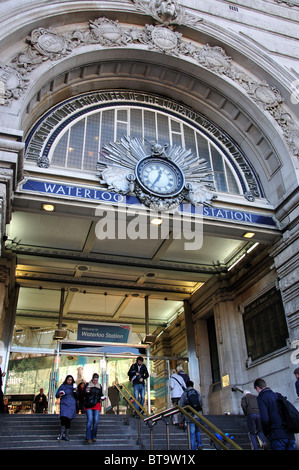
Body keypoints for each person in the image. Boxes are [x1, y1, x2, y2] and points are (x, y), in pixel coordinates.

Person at [254, 377, 296, 450]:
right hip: (290, 435)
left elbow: (264, 419)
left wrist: (267, 433)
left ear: (257, 388)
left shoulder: (262, 397)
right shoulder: (278, 395)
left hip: (277, 435)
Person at [179, 380, 203, 450]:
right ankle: (199, 444)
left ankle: (193, 448)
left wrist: (182, 417)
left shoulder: (184, 394)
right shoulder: (197, 393)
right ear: (192, 385)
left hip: (190, 415)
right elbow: (201, 403)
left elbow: (181, 405)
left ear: (186, 386)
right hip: (198, 414)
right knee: (198, 430)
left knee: (192, 432)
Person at [84, 373, 106, 444]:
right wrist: (86, 391)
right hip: (89, 404)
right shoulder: (88, 385)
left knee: (96, 421)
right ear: (92, 379)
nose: (95, 382)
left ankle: (94, 436)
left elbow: (101, 395)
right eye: (94, 380)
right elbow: (84, 394)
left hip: (97, 404)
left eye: (96, 380)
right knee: (90, 420)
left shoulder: (99, 386)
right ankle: (88, 437)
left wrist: (102, 398)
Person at [56, 375, 77, 441]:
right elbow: (57, 395)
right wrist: (60, 395)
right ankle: (61, 434)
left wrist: (75, 391)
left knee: (68, 419)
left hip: (71, 404)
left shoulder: (73, 387)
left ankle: (66, 435)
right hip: (64, 404)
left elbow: (77, 396)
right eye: (68, 380)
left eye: (71, 380)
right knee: (63, 418)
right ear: (66, 380)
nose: (69, 381)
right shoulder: (62, 386)